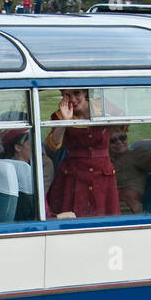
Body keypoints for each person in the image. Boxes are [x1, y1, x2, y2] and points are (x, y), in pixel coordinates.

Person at [44, 89, 119, 218]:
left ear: (85, 92)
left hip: (102, 174)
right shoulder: (59, 115)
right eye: (67, 95)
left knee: (107, 220)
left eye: (77, 93)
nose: (73, 99)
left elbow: (123, 124)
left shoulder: (102, 107)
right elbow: (54, 145)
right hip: (73, 175)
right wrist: (65, 122)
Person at [109, 123, 151, 214]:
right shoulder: (103, 160)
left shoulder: (136, 154)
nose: (119, 142)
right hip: (104, 207)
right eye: (113, 140)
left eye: (122, 138)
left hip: (126, 208)